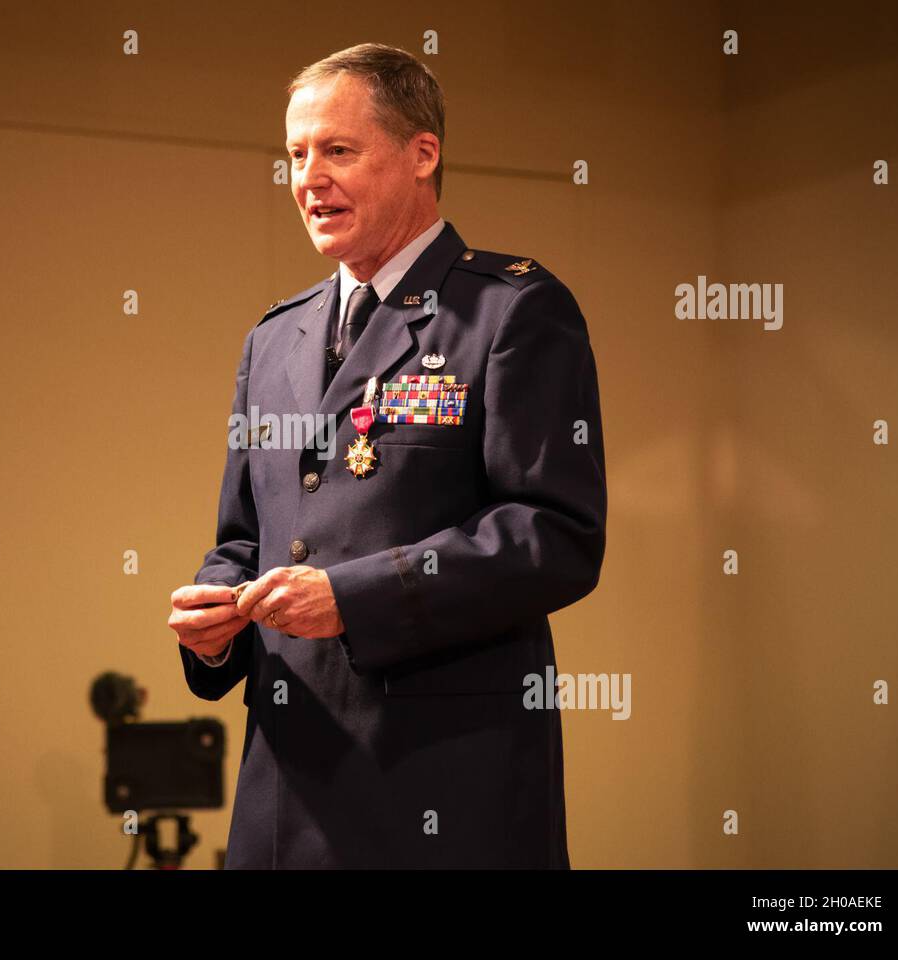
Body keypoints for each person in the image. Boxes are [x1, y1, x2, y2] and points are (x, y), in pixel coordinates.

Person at [167, 42, 607, 868]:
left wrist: (354, 598)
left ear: (422, 154)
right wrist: (215, 621)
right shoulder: (274, 338)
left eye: (338, 150)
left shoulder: (511, 311)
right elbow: (244, 536)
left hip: (443, 786)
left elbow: (557, 535)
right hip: (286, 787)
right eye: (295, 156)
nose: (308, 179)